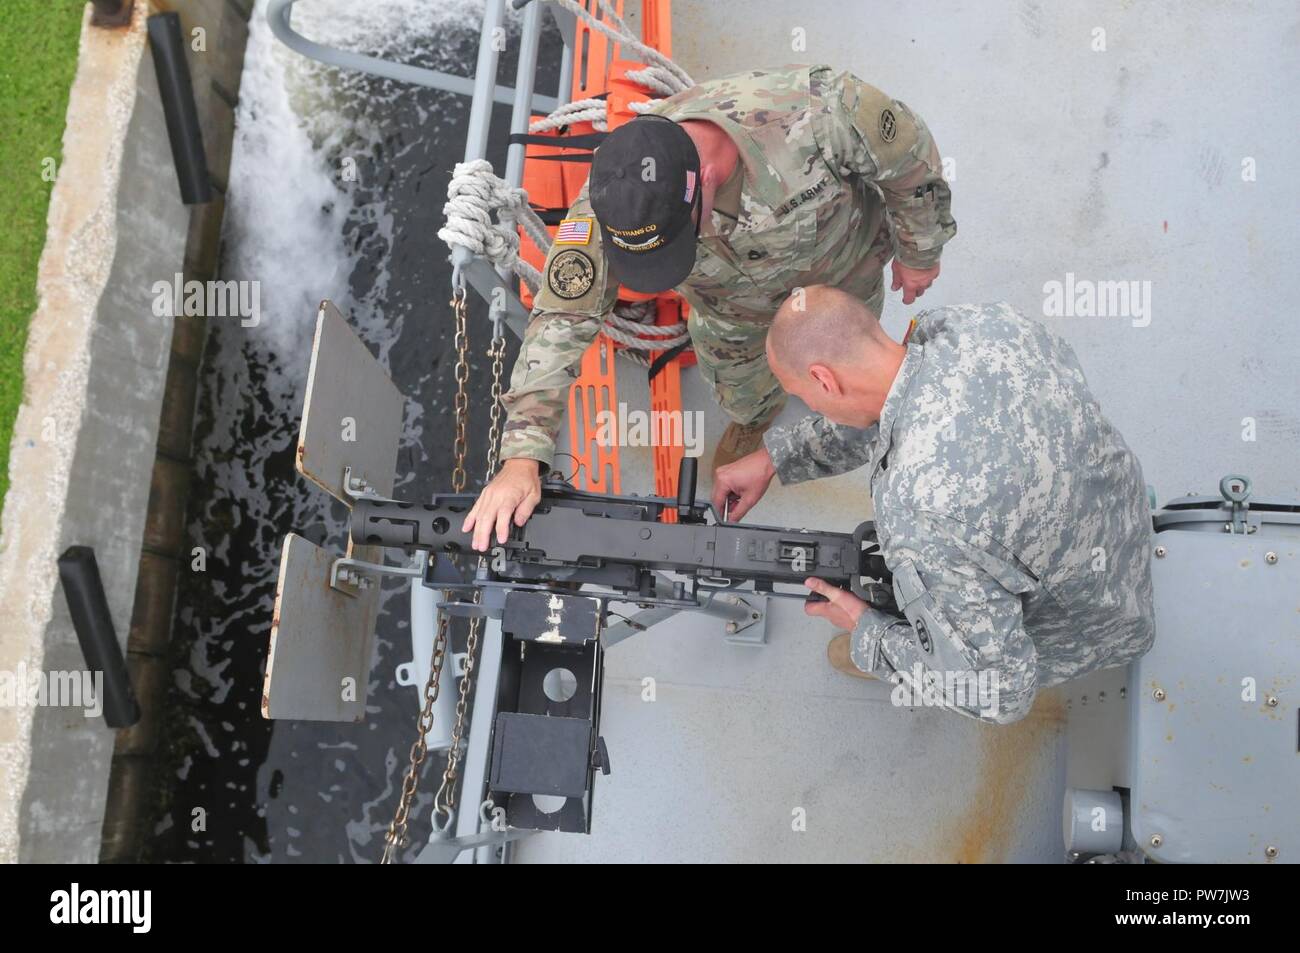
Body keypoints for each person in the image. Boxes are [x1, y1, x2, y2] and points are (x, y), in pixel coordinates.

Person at [463, 65, 955, 552]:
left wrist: (919, 252)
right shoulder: (614, 201)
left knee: (856, 381)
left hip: (843, 283)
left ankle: (842, 417)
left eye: (678, 242)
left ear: (710, 178)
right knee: (741, 394)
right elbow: (563, 318)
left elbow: (912, 173)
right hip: (731, 315)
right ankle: (757, 419)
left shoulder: (824, 112)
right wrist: (523, 456)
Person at [713, 285, 1155, 724]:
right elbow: (892, 401)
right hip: (1121, 515)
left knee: (907, 609)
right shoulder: (977, 325)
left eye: (802, 394)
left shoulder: (919, 512)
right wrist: (777, 457)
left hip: (1094, 622)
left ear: (824, 380)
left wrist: (867, 630)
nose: (806, 403)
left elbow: (998, 695)